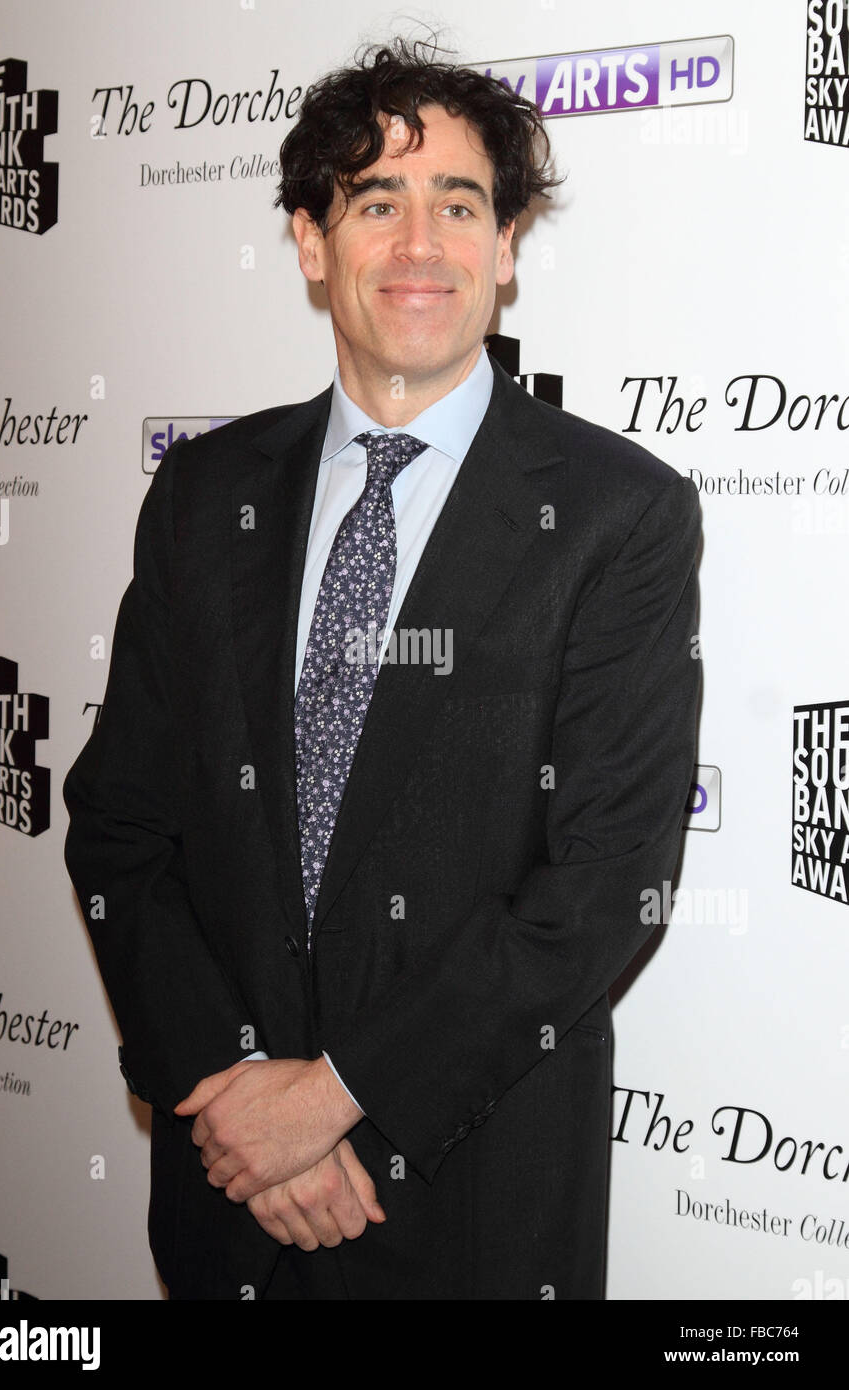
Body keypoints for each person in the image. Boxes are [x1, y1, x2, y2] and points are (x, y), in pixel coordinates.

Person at [63, 36, 702, 1301]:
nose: (421, 245)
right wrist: (236, 1095)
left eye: (460, 204)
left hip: (476, 1208)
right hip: (228, 1194)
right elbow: (118, 826)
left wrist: (337, 1100)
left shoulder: (619, 515)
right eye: (375, 202)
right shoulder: (202, 496)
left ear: (507, 247)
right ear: (311, 241)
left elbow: (605, 882)